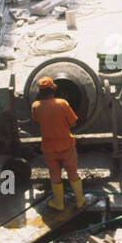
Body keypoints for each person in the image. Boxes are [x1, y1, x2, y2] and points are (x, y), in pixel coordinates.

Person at [31, 76, 85, 211]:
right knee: (72, 172)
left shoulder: (35, 106)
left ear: (39, 92)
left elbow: (36, 122)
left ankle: (59, 204)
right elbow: (73, 123)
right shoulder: (63, 103)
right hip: (66, 145)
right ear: (53, 90)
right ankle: (80, 200)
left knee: (54, 175)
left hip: (49, 148)